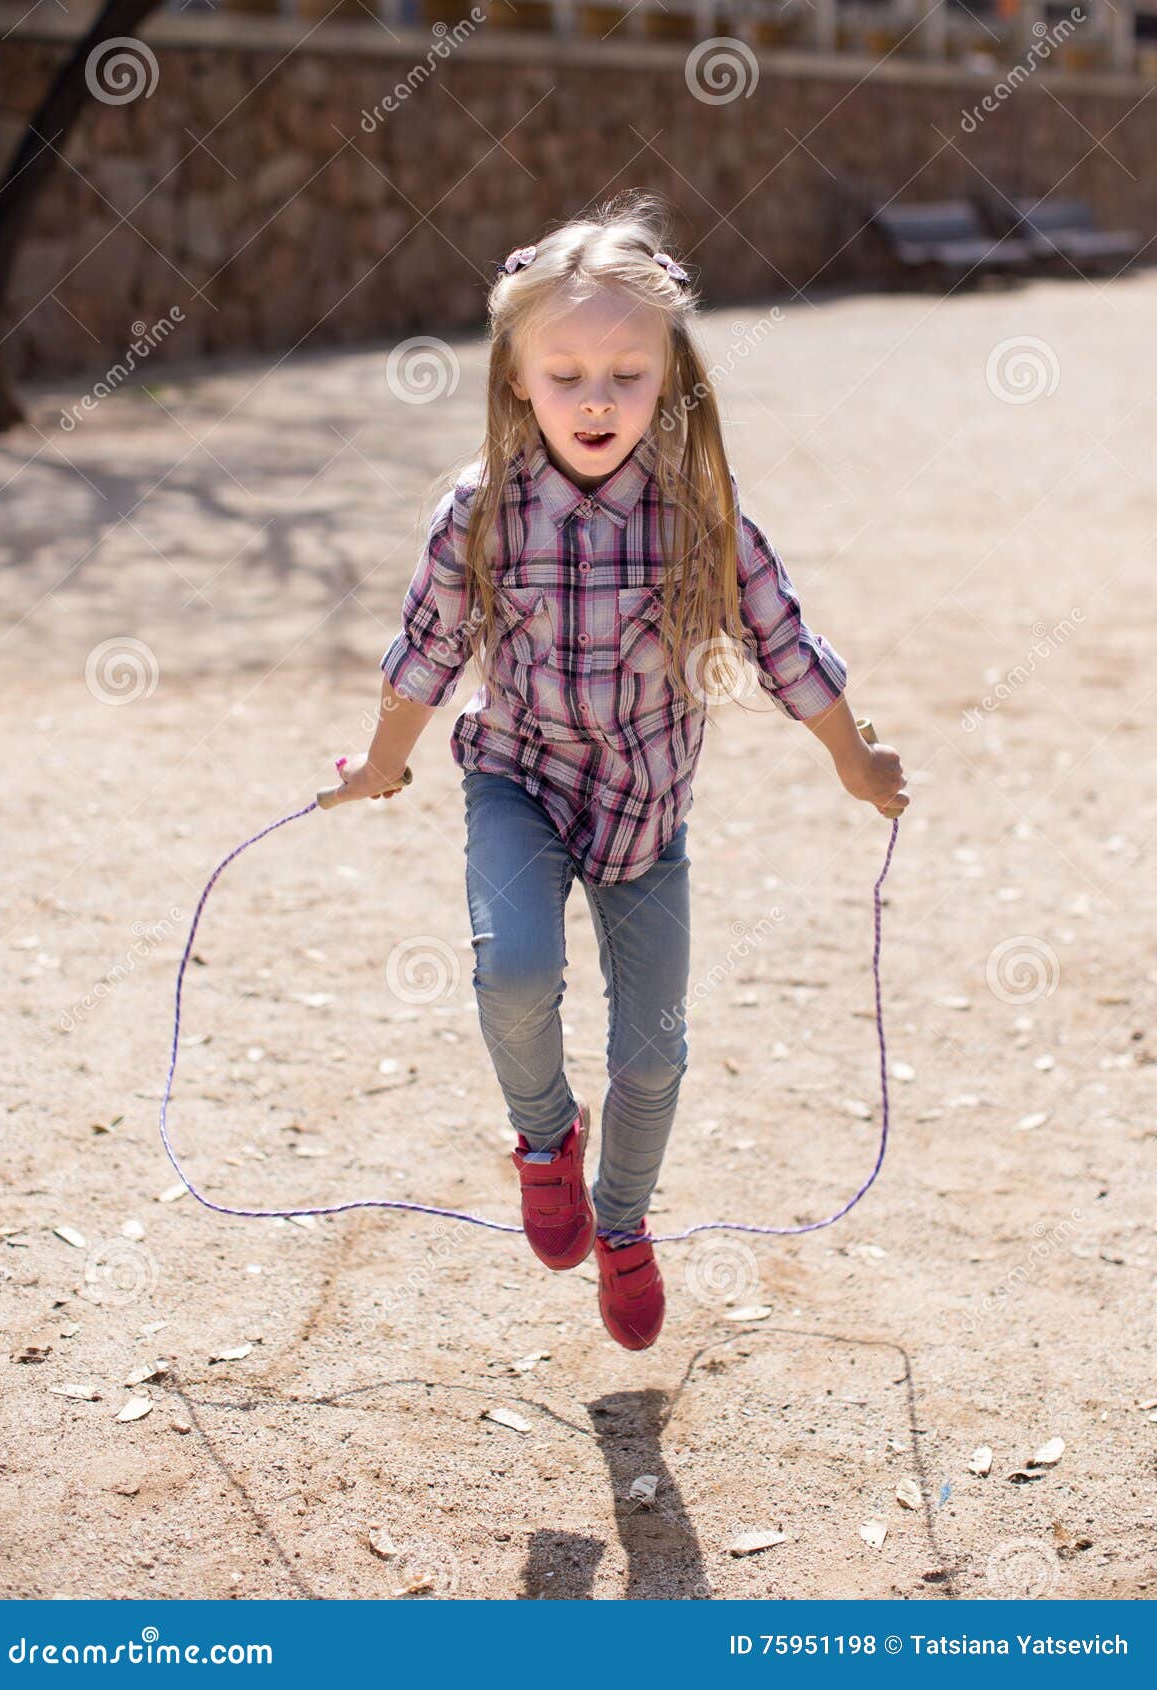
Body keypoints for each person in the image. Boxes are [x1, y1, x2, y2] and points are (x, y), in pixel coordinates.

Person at [323, 190, 908, 1351]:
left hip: (645, 813)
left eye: (626, 375)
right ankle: (544, 1137)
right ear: (516, 382)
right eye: (566, 374)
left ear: (670, 378)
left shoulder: (700, 510)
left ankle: (625, 1224)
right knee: (514, 973)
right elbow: (429, 649)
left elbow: (780, 638)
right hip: (518, 777)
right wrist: (379, 766)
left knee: (655, 1054)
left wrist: (856, 758)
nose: (595, 400)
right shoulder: (479, 511)